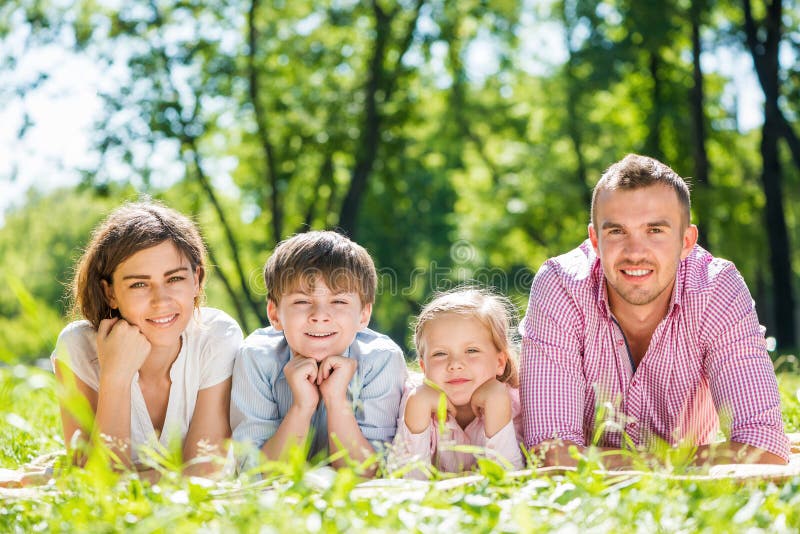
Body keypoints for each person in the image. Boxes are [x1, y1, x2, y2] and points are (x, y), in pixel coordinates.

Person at [521, 154, 790, 468]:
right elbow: (550, 453)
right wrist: (677, 464)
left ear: (686, 240)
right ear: (595, 240)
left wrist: (629, 465)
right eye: (617, 232)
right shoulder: (561, 285)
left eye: (655, 231)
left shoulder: (717, 289)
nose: (635, 253)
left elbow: (764, 447)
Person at [52, 201, 243, 478]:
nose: (161, 301)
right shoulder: (77, 347)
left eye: (175, 278)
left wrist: (124, 478)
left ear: (197, 280)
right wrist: (115, 378)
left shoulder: (217, 337)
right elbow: (97, 486)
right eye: (139, 284)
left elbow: (202, 476)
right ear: (110, 293)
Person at [230, 231, 407, 473]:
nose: (320, 315)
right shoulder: (256, 357)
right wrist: (302, 406)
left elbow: (369, 473)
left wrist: (336, 401)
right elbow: (257, 473)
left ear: (364, 315)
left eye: (339, 302)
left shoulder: (381, 360)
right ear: (274, 314)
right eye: (302, 301)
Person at [390, 288, 524, 477]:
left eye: (471, 351)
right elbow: (403, 484)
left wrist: (497, 403)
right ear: (423, 367)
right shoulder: (416, 399)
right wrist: (417, 404)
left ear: (500, 362)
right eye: (440, 354)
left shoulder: (516, 404)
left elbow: (510, 482)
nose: (455, 365)